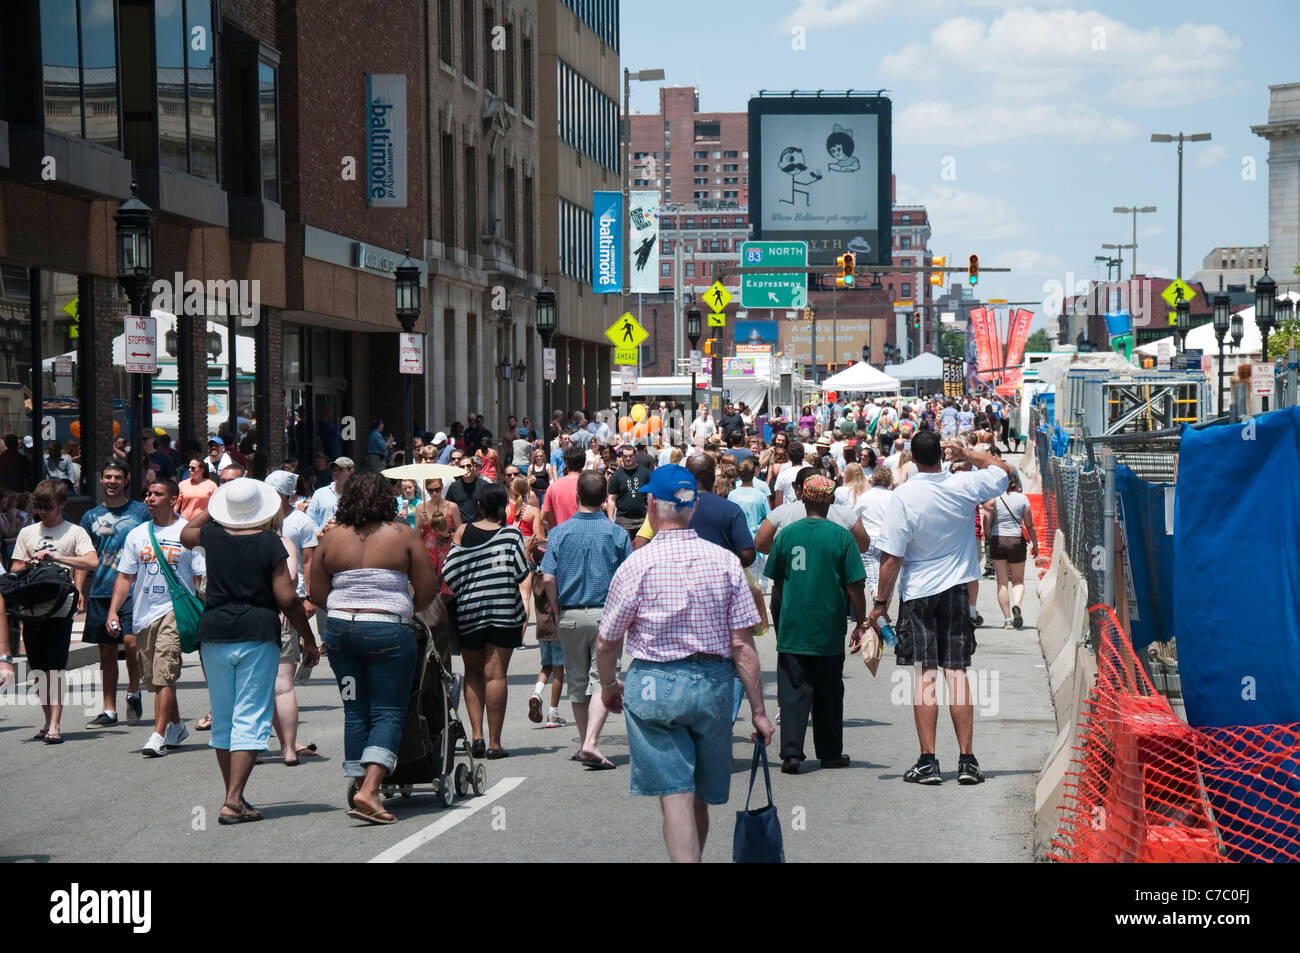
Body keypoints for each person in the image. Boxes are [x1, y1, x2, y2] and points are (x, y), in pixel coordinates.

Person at [596, 465, 773, 863]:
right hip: (713, 685)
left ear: (651, 505)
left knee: (676, 795)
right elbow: (742, 645)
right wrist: (759, 712)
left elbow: (608, 641)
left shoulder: (636, 565)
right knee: (698, 797)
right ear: (693, 507)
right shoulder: (726, 563)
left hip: (654, 683)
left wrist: (608, 686)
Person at [869, 432, 1012, 786]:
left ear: (913, 459)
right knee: (957, 672)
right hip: (956, 590)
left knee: (926, 675)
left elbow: (892, 557)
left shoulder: (903, 495)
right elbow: (1003, 471)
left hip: (918, 592)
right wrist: (968, 453)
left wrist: (880, 604)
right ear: (941, 455)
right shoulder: (963, 484)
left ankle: (928, 761)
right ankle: (967, 760)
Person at [180, 478, 319, 824]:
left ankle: (235, 796)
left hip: (214, 631)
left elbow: (186, 532)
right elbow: (286, 597)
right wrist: (307, 638)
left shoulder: (213, 536)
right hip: (256, 631)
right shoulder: (270, 542)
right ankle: (233, 800)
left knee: (224, 717)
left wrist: (216, 505)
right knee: (251, 716)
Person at [308, 470, 435, 823]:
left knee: (354, 709)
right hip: (387, 633)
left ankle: (361, 783)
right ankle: (369, 789)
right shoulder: (403, 535)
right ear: (386, 499)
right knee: (388, 710)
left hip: (340, 634)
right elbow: (427, 590)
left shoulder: (331, 539)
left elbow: (316, 593)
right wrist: (402, 607)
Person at [764, 474, 867, 774]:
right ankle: (830, 752)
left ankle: (791, 753)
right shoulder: (842, 536)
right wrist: (861, 622)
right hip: (828, 624)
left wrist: (789, 605)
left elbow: (778, 581)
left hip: (794, 624)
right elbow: (855, 586)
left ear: (803, 498)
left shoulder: (787, 534)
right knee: (829, 690)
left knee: (793, 690)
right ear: (831, 500)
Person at [540, 471, 632, 769]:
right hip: (607, 614)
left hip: (570, 613)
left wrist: (557, 611)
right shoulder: (617, 533)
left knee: (577, 682)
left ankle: (585, 743)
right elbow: (627, 578)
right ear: (605, 499)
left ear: (577, 496)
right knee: (603, 679)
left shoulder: (559, 533)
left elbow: (548, 577)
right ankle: (591, 742)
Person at [106, 478, 205, 756]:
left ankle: (158, 735)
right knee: (155, 678)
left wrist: (210, 610)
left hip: (174, 611)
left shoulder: (189, 532)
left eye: (157, 494)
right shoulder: (137, 534)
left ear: (173, 500)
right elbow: (125, 577)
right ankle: (177, 725)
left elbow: (200, 578)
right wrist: (113, 610)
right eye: (148, 493)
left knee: (164, 672)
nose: (149, 498)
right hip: (144, 614)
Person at [441, 482, 528, 759]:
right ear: (503, 506)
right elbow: (521, 572)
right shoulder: (511, 534)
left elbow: (449, 572)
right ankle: (494, 743)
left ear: (479, 506)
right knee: (496, 675)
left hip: (470, 611)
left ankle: (477, 736)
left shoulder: (463, 532)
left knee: (473, 672)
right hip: (504, 611)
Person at [11, 480, 98, 745]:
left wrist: (57, 558)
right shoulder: (27, 532)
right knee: (37, 668)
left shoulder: (74, 532)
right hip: (32, 609)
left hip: (60, 608)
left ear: (61, 504)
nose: (43, 512)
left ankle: (56, 724)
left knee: (55, 668)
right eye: (38, 507)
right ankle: (47, 720)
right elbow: (14, 569)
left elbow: (91, 561)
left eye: (48, 507)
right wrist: (28, 564)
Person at [80, 461, 150, 729]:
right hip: (101, 591)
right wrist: (79, 589)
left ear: (126, 480)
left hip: (134, 590)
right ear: (101, 480)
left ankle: (133, 691)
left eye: (117, 477)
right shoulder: (90, 516)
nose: (112, 481)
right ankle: (109, 710)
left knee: (131, 645)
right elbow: (84, 555)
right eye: (107, 477)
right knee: (107, 652)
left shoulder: (140, 512)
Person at [265, 470, 321, 765]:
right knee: (281, 685)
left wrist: (308, 597)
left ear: (287, 496)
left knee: (272, 685)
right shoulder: (279, 538)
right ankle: (284, 746)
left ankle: (282, 746)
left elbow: (309, 561)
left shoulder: (301, 521)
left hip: (285, 607)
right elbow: (292, 572)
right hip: (282, 608)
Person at [982, 470, 1038, 629]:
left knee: (1002, 582)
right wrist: (1035, 544)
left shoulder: (994, 498)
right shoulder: (1022, 498)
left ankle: (1007, 620)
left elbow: (986, 520)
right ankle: (1017, 605)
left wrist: (990, 537)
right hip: (1016, 542)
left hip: (998, 540)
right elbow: (1029, 525)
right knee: (1018, 580)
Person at [606, 444, 650, 537]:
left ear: (635, 456)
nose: (628, 459)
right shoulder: (617, 476)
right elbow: (611, 499)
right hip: (623, 520)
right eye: (625, 456)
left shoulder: (645, 473)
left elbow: (652, 495)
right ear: (622, 457)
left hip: (642, 519)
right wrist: (610, 519)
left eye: (631, 456)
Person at [541, 446, 586, 532]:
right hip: (586, 535)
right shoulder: (589, 484)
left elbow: (542, 518)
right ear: (583, 463)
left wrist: (554, 530)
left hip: (562, 535)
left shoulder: (553, 487)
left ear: (566, 463)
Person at [305, 456, 354, 530]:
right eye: (334, 470)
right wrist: (319, 533)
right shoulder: (320, 493)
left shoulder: (357, 494)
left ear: (351, 472)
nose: (336, 472)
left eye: (340, 470)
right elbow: (310, 519)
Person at [445, 455, 489, 524]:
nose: (466, 469)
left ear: (474, 467)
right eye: (462, 467)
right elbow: (448, 507)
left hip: (480, 525)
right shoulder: (454, 487)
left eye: (468, 466)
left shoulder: (484, 485)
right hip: (460, 525)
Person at [773, 441, 807, 505]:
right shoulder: (809, 473)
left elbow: (778, 503)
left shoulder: (783, 475)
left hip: (787, 510)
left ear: (788, 456)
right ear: (803, 455)